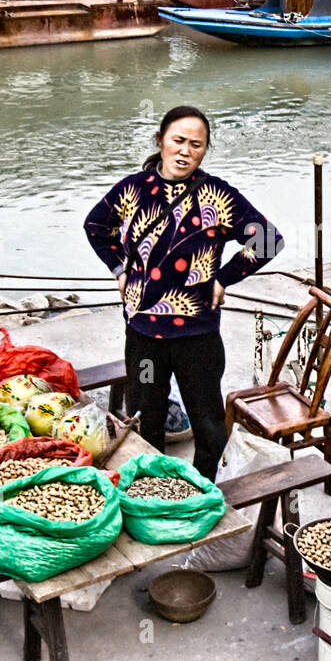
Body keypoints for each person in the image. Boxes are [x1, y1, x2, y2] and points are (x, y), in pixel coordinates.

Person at [84, 106, 283, 480]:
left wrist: (224, 278)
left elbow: (269, 240)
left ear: (204, 151)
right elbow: (96, 225)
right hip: (144, 337)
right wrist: (119, 269)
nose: (185, 151)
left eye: (196, 145)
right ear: (160, 140)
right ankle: (152, 489)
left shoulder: (218, 195)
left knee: (207, 422)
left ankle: (201, 488)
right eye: (178, 140)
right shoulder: (132, 189)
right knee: (145, 415)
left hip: (198, 338)